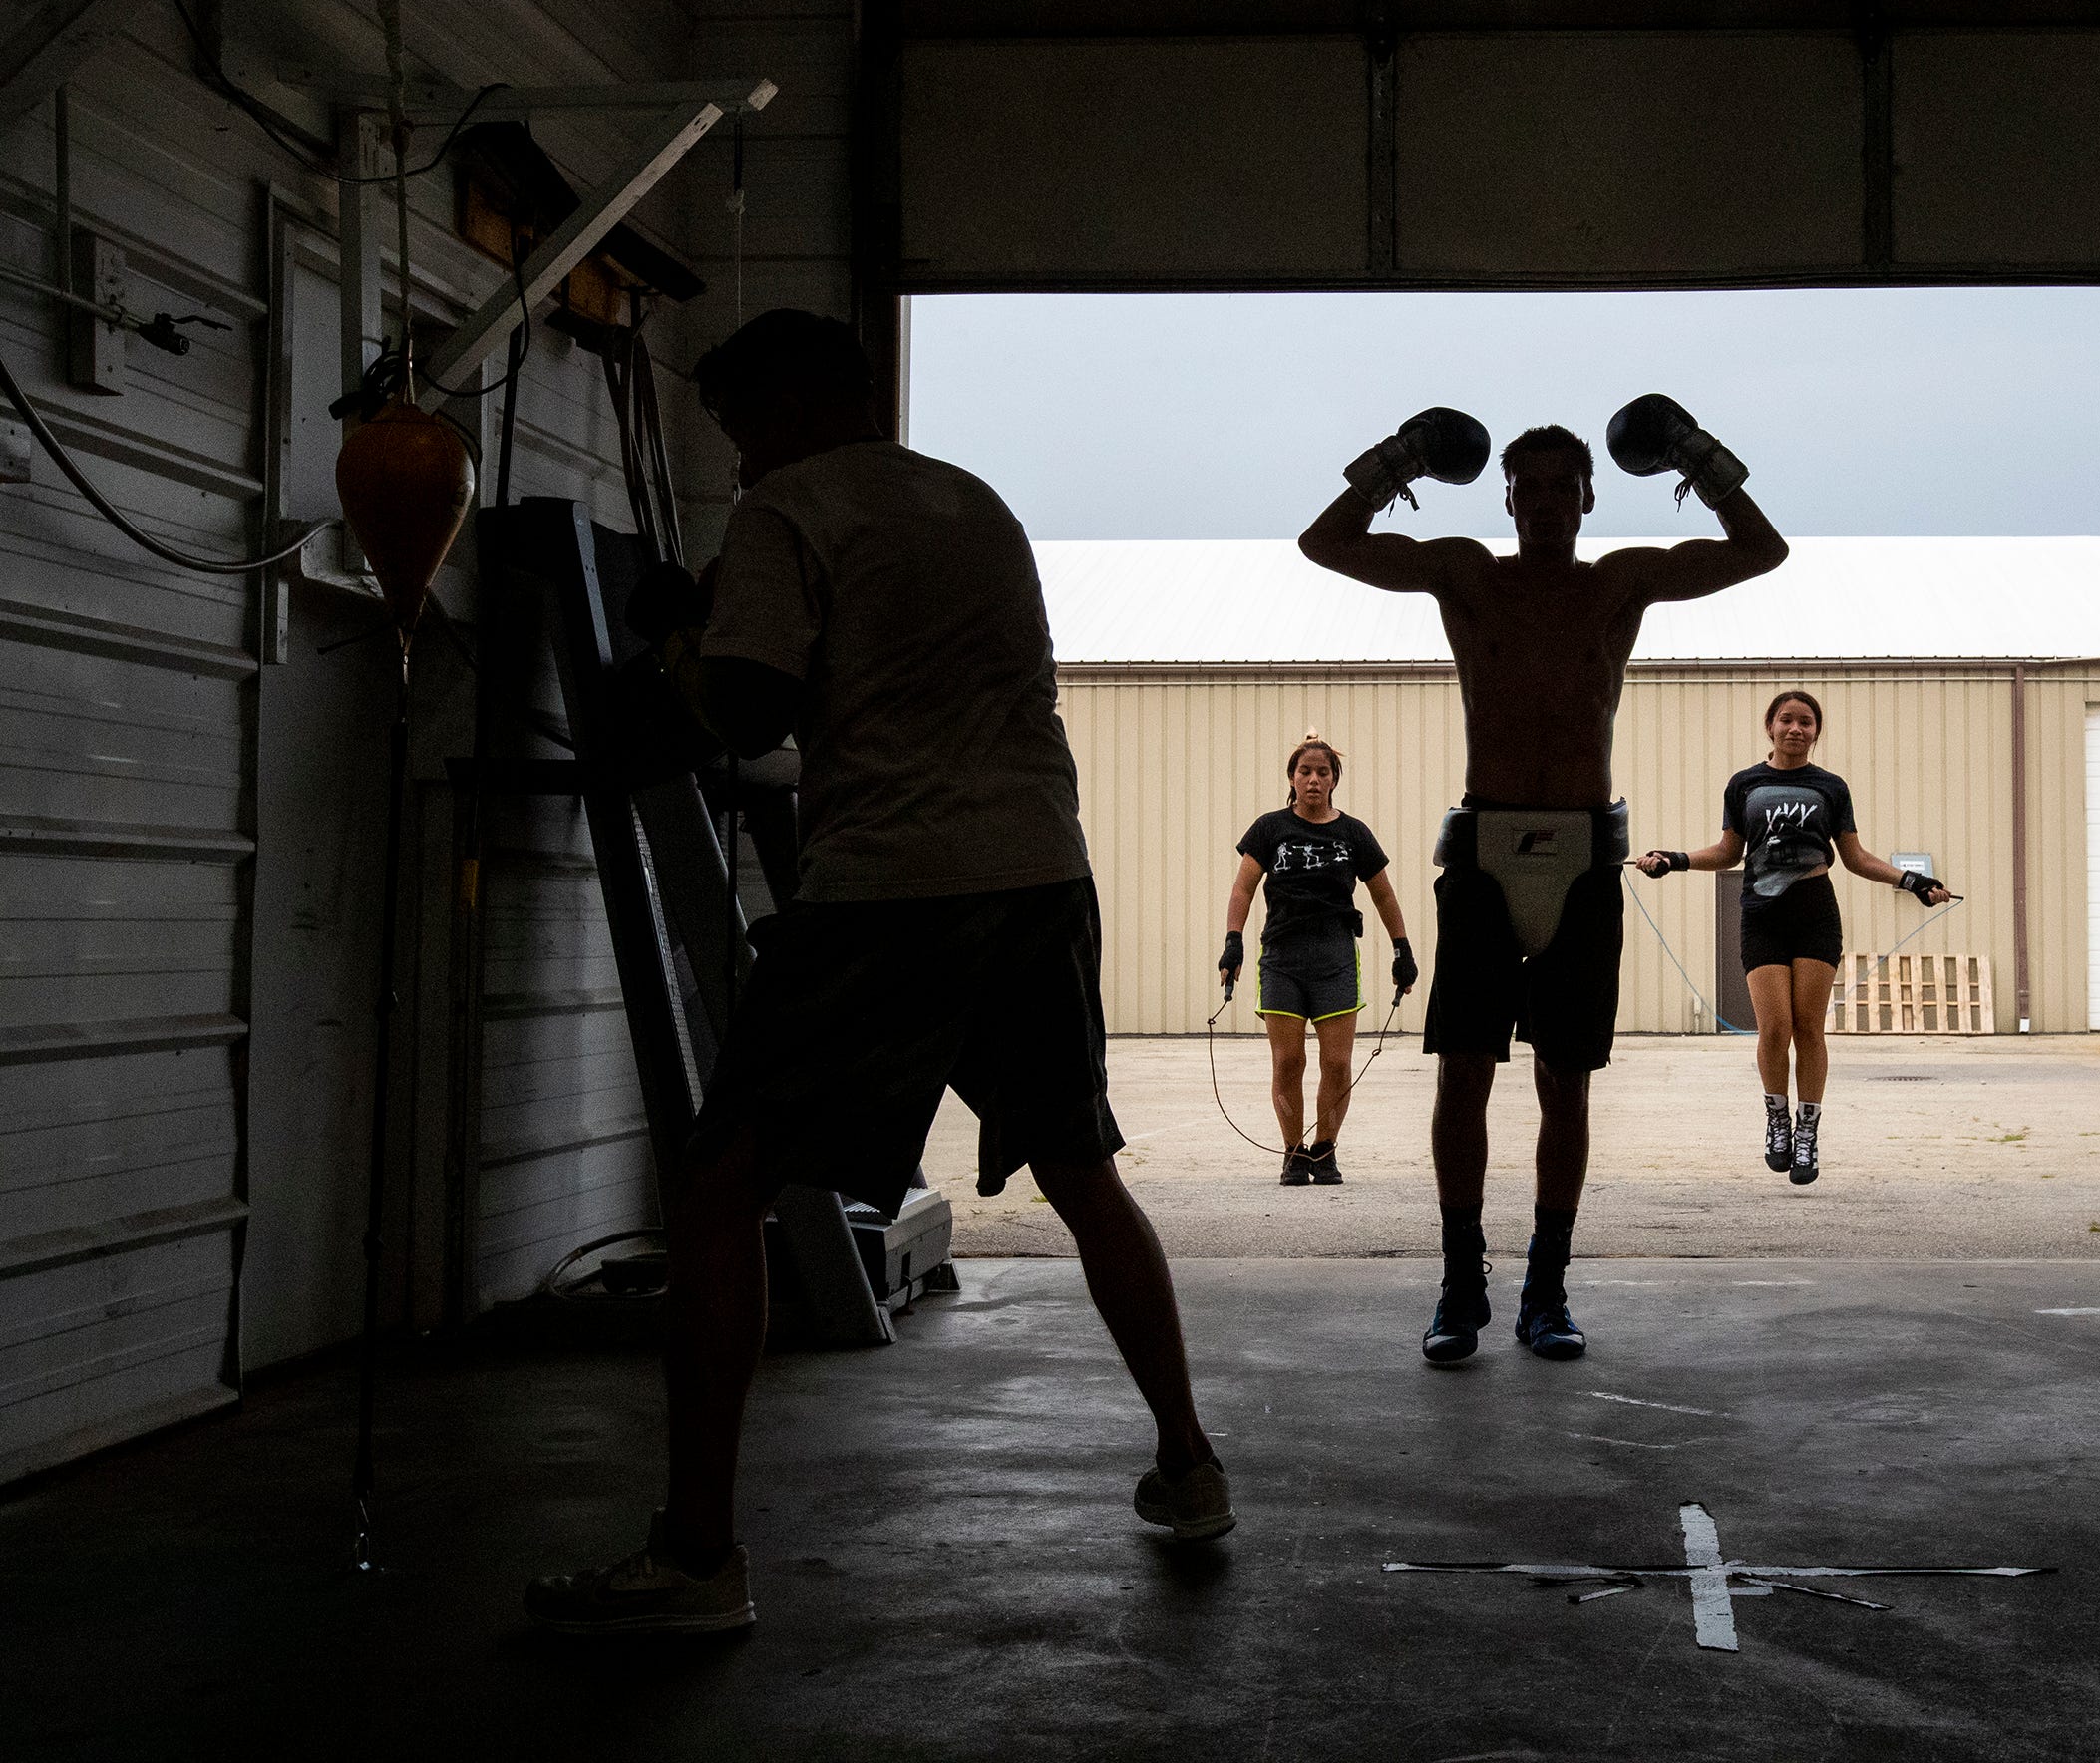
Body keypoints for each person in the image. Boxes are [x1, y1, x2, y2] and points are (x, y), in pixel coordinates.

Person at [525, 311, 1228, 1635]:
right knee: (1084, 1177)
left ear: (789, 410)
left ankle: (693, 1561)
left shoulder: (792, 510)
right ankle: (1189, 1465)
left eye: (739, 433)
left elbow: (746, 712)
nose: (734, 466)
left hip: (895, 890)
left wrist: (681, 644)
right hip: (1038, 872)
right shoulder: (975, 505)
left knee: (720, 1183)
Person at [1301, 399, 1786, 1364]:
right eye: (1531, 489)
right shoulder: (1465, 573)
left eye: (1566, 489)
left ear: (1590, 497)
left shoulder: (1620, 583)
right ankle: (1458, 1282)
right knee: (1464, 1074)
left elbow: (1761, 548)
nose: (1548, 504)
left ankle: (1546, 1288)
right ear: (1508, 496)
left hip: (1583, 851)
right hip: (1483, 846)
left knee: (1567, 1082)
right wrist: (1398, 456)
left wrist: (1694, 452)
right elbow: (1326, 539)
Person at [1634, 688, 1954, 1186]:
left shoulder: (1830, 787)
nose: (1795, 729)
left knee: (1809, 1028)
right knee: (1774, 1028)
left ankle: (1807, 1130)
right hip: (1761, 915)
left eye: (1806, 722)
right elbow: (1727, 851)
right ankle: (1776, 1119)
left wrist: (1914, 882)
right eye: (1786, 720)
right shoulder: (1745, 784)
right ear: (1770, 727)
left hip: (1815, 913)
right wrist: (1673, 860)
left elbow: (1855, 858)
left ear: (1815, 732)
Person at [1219, 734, 1416, 1186]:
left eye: (1322, 772)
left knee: (1337, 1063)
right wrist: (1234, 941)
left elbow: (1383, 894)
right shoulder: (1270, 829)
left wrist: (1402, 949)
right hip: (1283, 958)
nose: (1313, 779)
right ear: (1292, 777)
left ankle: (1324, 1150)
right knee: (1289, 1061)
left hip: (1336, 958)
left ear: (1334, 780)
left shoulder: (1353, 832)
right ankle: (1293, 1153)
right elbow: (1243, 888)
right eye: (1305, 771)